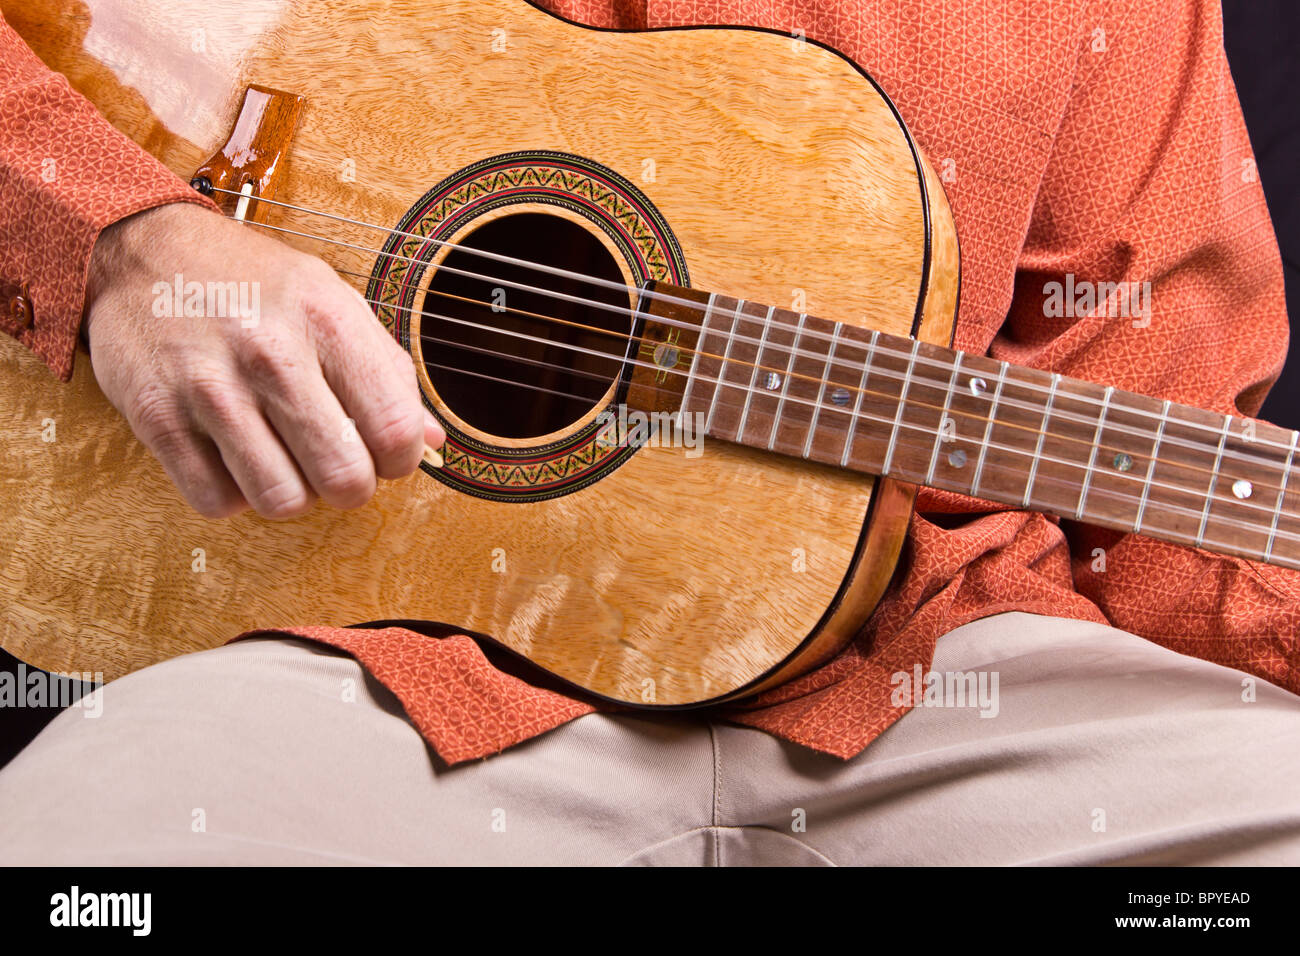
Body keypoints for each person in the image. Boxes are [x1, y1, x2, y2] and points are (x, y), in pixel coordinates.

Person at [1, 0, 1298, 865]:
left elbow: (1149, 470)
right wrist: (123, 244)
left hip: (929, 673)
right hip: (376, 657)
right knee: (84, 851)